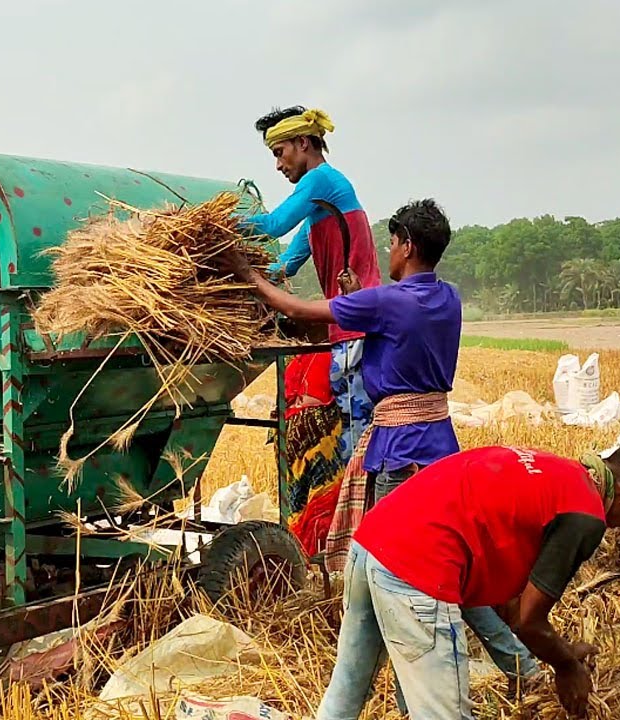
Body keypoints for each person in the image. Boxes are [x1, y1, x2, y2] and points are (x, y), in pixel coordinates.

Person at [223, 198, 538, 706]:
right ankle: (521, 665)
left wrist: (248, 275)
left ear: (408, 245)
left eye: (393, 242)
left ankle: (422, 689)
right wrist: (360, 297)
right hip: (439, 447)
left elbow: (297, 310)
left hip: (399, 455)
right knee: (448, 563)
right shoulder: (448, 298)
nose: (388, 251)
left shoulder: (389, 302)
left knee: (403, 574)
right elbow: (391, 325)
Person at [315, 441, 620, 720]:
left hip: (373, 540)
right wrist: (567, 667)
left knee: (346, 691)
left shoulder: (558, 472)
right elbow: (528, 620)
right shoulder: (585, 515)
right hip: (417, 566)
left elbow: (511, 609)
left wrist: (557, 651)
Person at [237, 106, 382, 477]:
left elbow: (272, 225)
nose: (278, 165)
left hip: (358, 333)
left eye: (279, 153)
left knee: (359, 444)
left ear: (303, 143)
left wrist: (215, 224)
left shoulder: (321, 180)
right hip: (346, 331)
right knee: (351, 439)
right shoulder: (322, 210)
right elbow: (284, 267)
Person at [274, 351, 347, 557]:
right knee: (319, 500)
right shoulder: (334, 351)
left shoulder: (295, 355)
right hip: (316, 438)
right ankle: (313, 554)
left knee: (299, 501)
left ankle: (299, 554)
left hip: (293, 432)